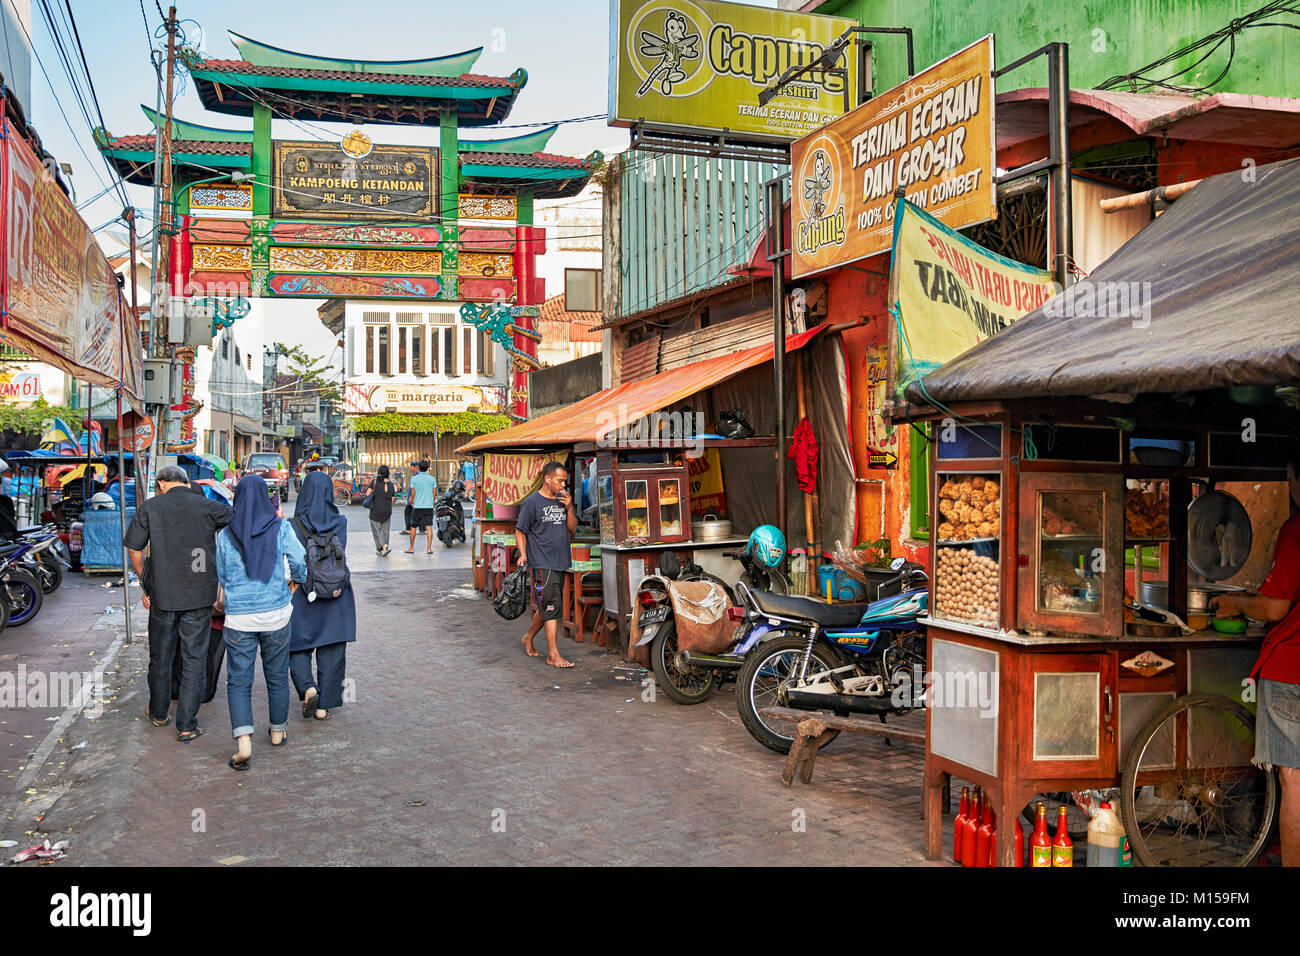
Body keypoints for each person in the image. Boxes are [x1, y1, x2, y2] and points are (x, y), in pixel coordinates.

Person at [1216, 447, 1300, 866]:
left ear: (1294, 477)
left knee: (1296, 781)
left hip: (1292, 670)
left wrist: (1238, 603)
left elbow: (1273, 608)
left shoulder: (1297, 529)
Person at [124, 464, 231, 742]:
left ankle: (159, 713)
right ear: (186, 482)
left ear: (160, 483)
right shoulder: (208, 506)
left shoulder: (151, 508)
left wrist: (145, 580)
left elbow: (134, 549)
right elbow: (235, 523)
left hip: (163, 596)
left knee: (161, 656)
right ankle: (187, 725)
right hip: (199, 596)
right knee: (195, 659)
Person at [215, 474, 307, 771]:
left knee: (239, 681)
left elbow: (222, 575)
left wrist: (238, 593)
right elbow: (300, 560)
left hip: (239, 617)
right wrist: (295, 584)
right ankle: (278, 732)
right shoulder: (280, 527)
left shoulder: (225, 534)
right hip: (276, 614)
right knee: (277, 675)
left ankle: (243, 745)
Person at [289, 470, 356, 720]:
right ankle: (323, 706)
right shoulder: (340, 523)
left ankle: (307, 687)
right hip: (337, 592)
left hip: (303, 592)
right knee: (333, 648)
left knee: (297, 645)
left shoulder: (293, 525)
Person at [515, 460, 577, 668]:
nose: (563, 485)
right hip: (542, 561)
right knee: (551, 606)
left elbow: (572, 530)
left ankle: (528, 637)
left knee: (549, 606)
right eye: (560, 481)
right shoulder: (532, 503)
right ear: (547, 479)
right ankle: (553, 654)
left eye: (565, 482)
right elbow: (520, 530)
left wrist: (569, 509)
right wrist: (523, 554)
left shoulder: (562, 500)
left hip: (561, 560)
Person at [405, 459, 438, 554]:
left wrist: (411, 501)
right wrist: (431, 502)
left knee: (413, 527)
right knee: (429, 527)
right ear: (428, 468)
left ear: (419, 468)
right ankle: (429, 549)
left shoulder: (414, 479)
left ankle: (411, 548)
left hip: (417, 506)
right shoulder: (432, 479)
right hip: (428, 506)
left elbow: (413, 494)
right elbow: (434, 493)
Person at [366, 465, 396, 556]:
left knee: (376, 531)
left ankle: (381, 547)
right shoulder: (391, 484)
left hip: (375, 511)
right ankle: (384, 547)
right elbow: (393, 499)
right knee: (385, 531)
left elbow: (367, 494)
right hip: (387, 512)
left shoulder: (374, 482)